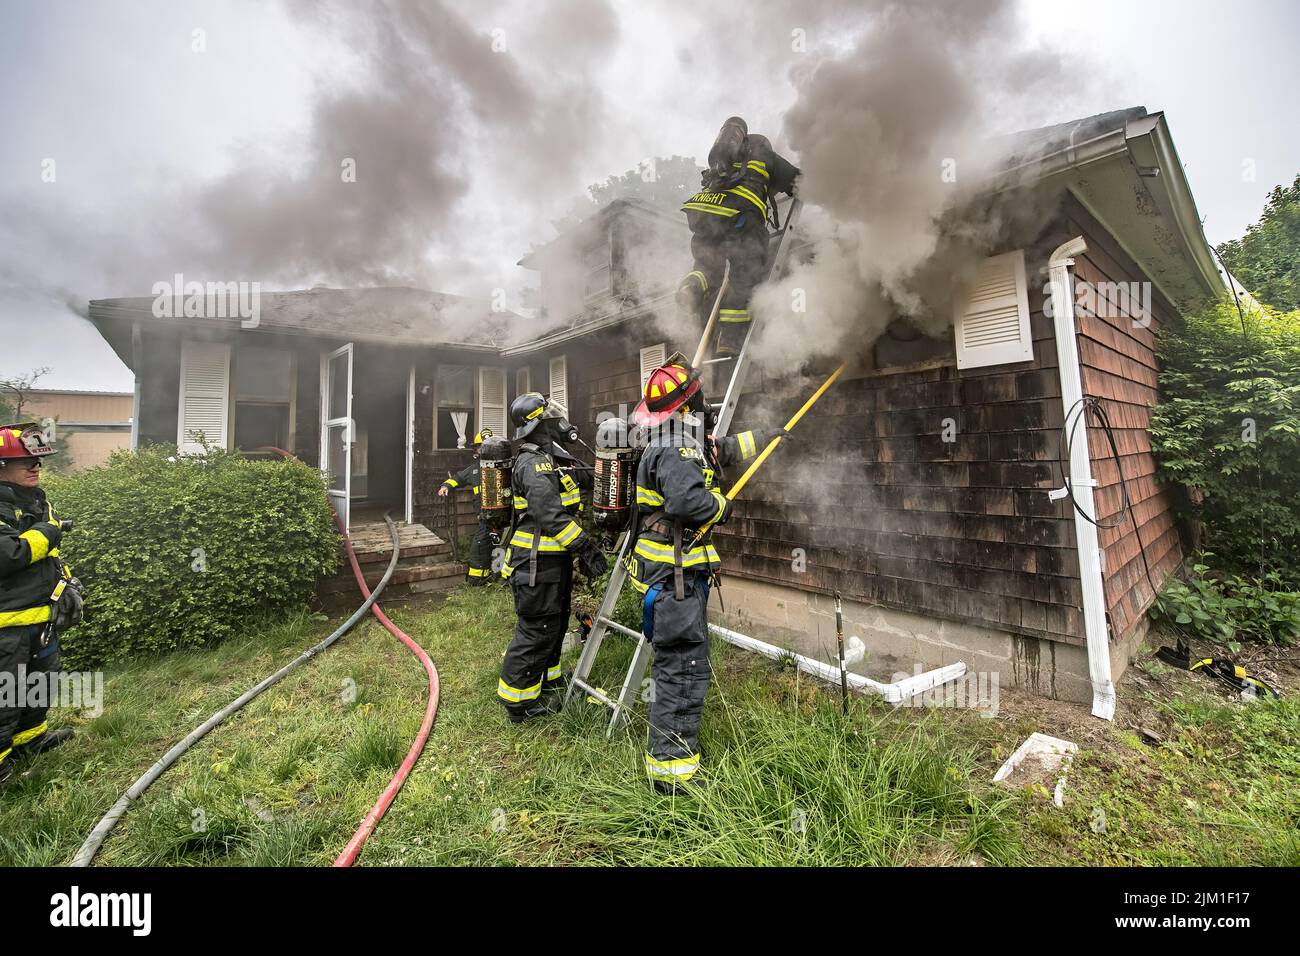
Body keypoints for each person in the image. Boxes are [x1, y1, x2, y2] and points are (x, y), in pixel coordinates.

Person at [627, 361, 785, 793]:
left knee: (679, 666)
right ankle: (672, 778)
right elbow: (687, 503)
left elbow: (723, 449)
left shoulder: (676, 439)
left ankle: (671, 764)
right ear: (688, 402)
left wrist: (768, 435)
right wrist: (723, 506)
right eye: (698, 394)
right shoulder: (679, 447)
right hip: (675, 580)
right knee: (682, 671)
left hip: (667, 575)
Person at [497, 394, 608, 722]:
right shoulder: (534, 463)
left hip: (549, 564)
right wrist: (585, 547)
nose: (561, 420)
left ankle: (546, 682)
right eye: (553, 415)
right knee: (537, 628)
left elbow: (588, 477)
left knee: (555, 623)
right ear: (540, 423)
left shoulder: (555, 459)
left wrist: (619, 462)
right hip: (535, 563)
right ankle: (519, 703)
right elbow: (549, 515)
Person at [0, 423, 82, 788]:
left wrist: (65, 579)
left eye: (37, 461)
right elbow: (10, 553)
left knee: (38, 683)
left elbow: (44, 554)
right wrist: (51, 531)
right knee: (6, 692)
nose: (35, 468)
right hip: (8, 625)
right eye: (24, 462)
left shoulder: (34, 500)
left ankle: (29, 741)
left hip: (39, 617)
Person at [677, 116, 801, 356]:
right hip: (740, 218)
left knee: (706, 267)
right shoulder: (762, 153)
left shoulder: (718, 160)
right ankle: (729, 339)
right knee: (744, 276)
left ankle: (691, 287)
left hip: (705, 215)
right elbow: (797, 181)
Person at [437, 428, 495, 586]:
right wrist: (446, 486)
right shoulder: (474, 470)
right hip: (485, 517)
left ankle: (477, 581)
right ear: (476, 449)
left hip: (501, 517)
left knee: (480, 546)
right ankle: (484, 578)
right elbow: (457, 479)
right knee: (483, 546)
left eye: (488, 446)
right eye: (481, 446)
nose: (484, 450)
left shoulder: (503, 468)